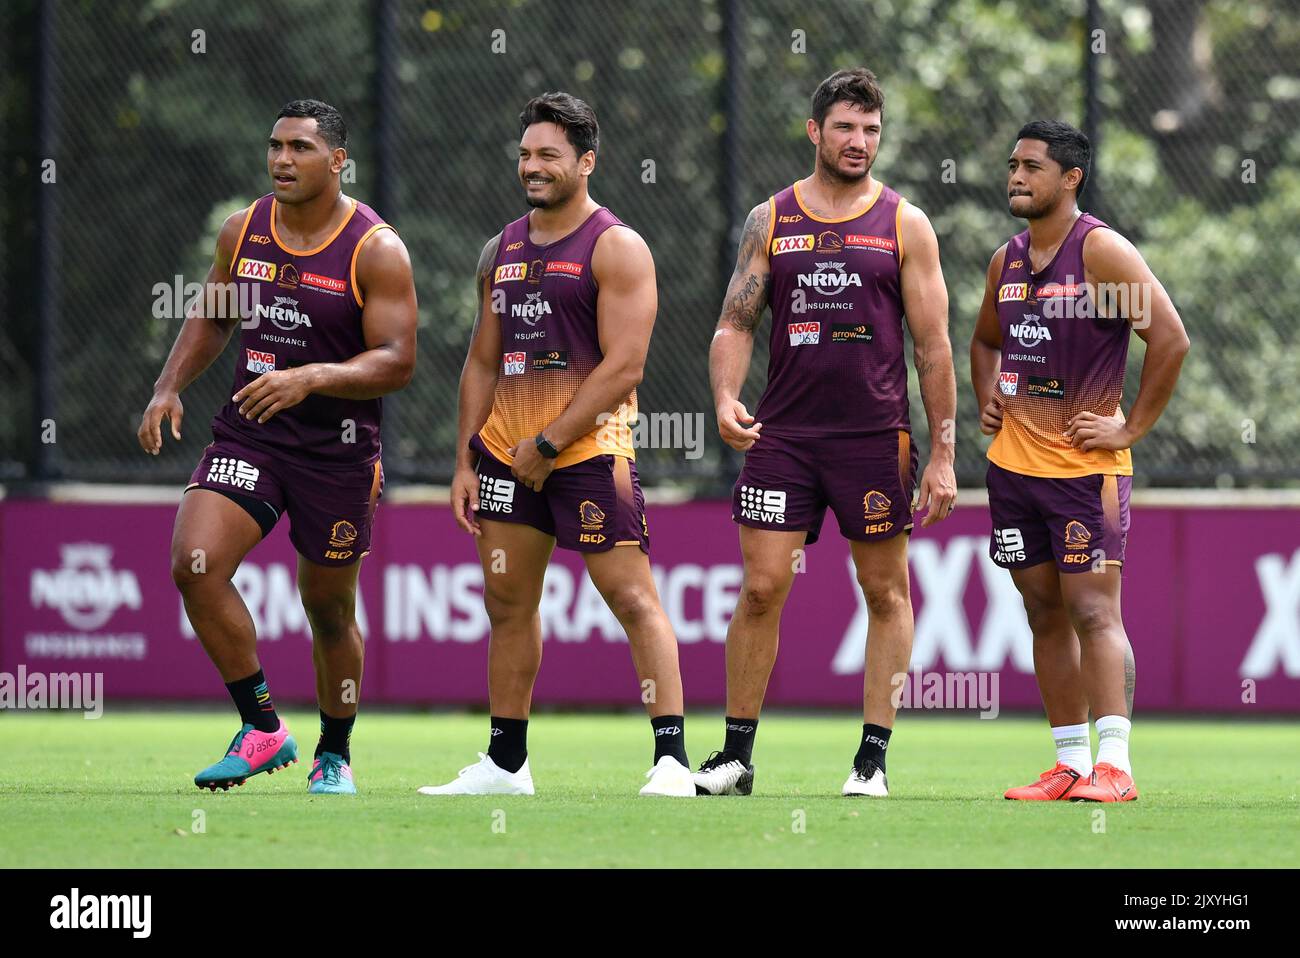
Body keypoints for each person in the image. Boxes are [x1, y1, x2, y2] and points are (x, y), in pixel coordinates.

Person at [137, 99, 418, 795]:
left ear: (337, 160)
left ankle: (336, 752)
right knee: (194, 565)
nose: (282, 160)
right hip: (251, 431)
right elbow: (214, 312)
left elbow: (399, 360)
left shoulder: (376, 249)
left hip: (338, 451)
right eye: (275, 146)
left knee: (327, 609)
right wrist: (168, 385)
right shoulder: (244, 229)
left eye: (299, 147)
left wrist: (313, 379)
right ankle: (262, 727)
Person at [420, 92, 693, 798]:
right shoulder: (501, 248)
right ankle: (506, 766)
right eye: (525, 155)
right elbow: (482, 361)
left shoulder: (617, 245)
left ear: (586, 162)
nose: (532, 167)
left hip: (589, 453)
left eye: (548, 155)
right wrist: (464, 462)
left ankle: (671, 761)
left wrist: (551, 441)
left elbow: (624, 366)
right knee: (508, 604)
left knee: (632, 599)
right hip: (509, 455)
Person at [698, 68, 957, 798]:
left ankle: (872, 761)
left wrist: (942, 454)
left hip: (877, 439)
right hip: (783, 438)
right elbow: (735, 321)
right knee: (760, 587)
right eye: (846, 127)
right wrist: (723, 397)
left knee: (884, 591)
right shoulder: (771, 218)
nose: (859, 142)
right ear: (815, 131)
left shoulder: (905, 223)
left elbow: (933, 348)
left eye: (871, 130)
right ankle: (735, 758)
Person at [970, 120, 1189, 802]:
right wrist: (988, 398)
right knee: (1042, 612)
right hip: (1012, 472)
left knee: (1094, 612)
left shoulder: (1100, 255)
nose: (1015, 176)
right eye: (1013, 165)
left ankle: (1115, 767)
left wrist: (1131, 427)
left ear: (1070, 179)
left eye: (1031, 166)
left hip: (1083, 475)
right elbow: (983, 342)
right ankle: (1069, 764)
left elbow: (1170, 340)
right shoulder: (1006, 261)